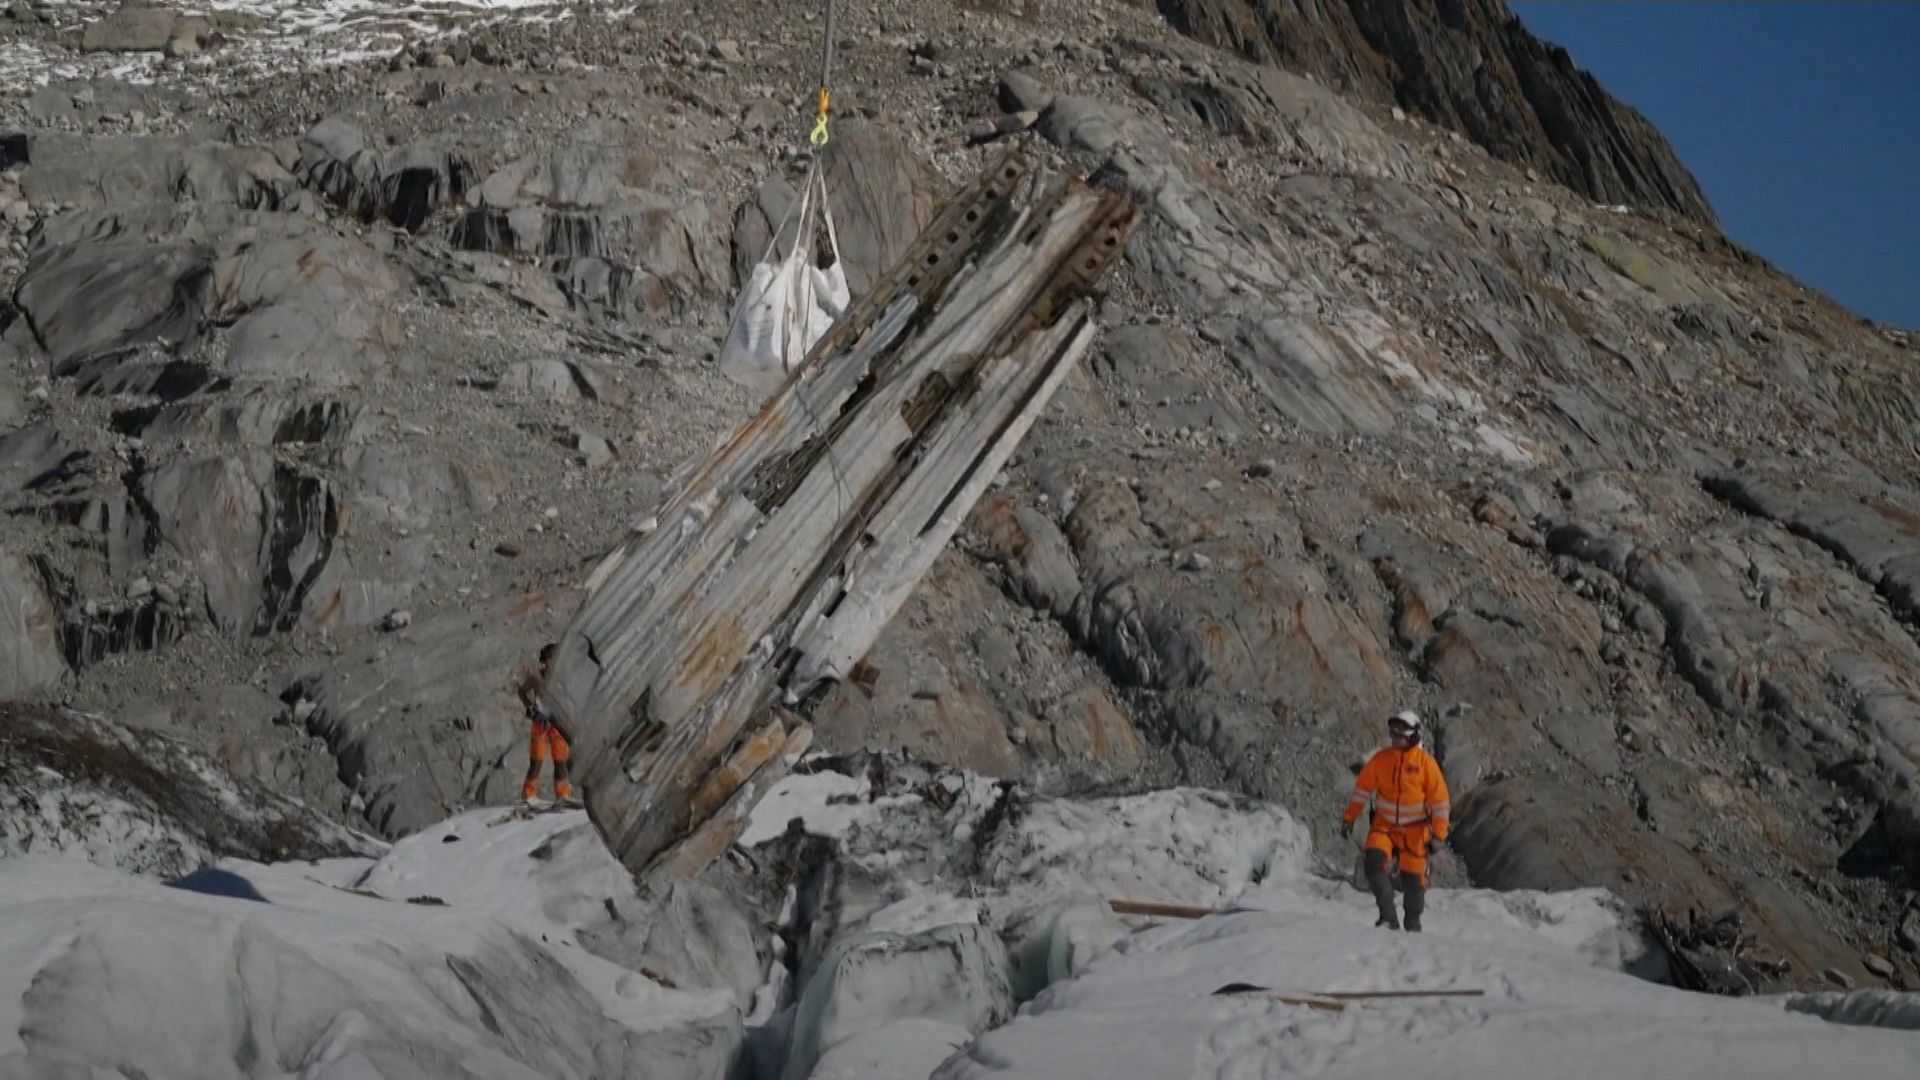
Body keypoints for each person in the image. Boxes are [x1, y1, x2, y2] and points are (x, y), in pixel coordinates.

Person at [1338, 710, 1450, 931]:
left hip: (1415, 833)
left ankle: (1412, 924)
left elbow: (1440, 802)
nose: (1396, 737)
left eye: (1402, 733)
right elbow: (1362, 790)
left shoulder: (1426, 764)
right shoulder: (1381, 760)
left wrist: (1439, 834)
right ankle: (1388, 917)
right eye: (1394, 732)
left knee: (1414, 883)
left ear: (1414, 735)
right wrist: (1349, 817)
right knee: (1374, 865)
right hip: (1384, 827)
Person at [517, 642, 574, 804]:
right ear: (545, 660)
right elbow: (521, 691)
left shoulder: (563, 677)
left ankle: (562, 794)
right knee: (537, 760)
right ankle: (528, 794)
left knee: (560, 762)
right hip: (541, 722)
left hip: (557, 723)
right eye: (551, 658)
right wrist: (530, 708)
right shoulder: (536, 678)